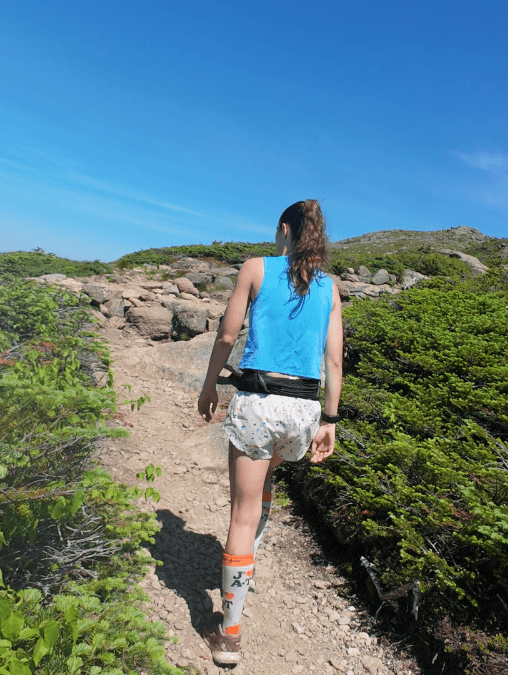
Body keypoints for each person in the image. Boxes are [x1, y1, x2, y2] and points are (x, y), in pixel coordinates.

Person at [196, 199, 343, 666]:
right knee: (266, 477)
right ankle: (249, 566)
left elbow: (226, 335)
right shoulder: (330, 288)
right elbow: (333, 361)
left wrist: (209, 385)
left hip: (259, 402)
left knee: (241, 514)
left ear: (284, 229)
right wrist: (329, 421)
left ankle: (229, 635)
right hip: (302, 411)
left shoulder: (256, 268)